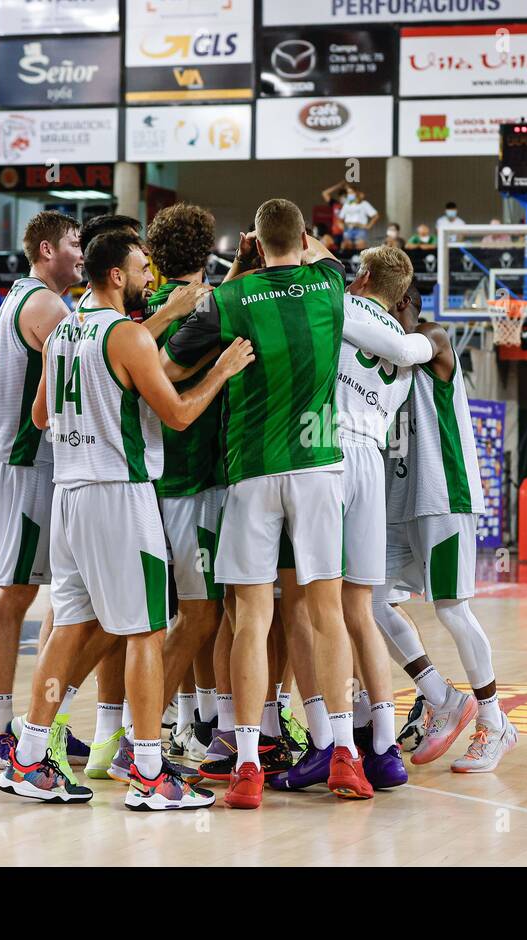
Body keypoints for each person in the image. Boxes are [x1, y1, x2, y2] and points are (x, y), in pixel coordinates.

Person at [0, 230, 251, 808]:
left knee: (69, 628)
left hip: (69, 493)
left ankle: (30, 757)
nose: (149, 277)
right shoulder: (128, 334)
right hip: (118, 492)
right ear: (117, 275)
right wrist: (223, 370)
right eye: (141, 267)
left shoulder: (63, 331)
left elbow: (39, 415)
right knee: (144, 631)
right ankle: (151, 772)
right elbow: (180, 415)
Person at [163, 198, 371, 809]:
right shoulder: (330, 283)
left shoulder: (230, 301)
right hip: (316, 467)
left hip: (250, 472)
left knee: (250, 617)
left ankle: (248, 764)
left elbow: (170, 367)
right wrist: (288, 244)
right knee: (324, 612)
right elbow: (326, 255)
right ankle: (342, 755)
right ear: (304, 238)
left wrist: (240, 274)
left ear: (252, 241)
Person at [272, 245, 434, 794]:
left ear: (363, 276)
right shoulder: (409, 350)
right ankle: (384, 750)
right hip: (373, 462)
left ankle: (327, 740)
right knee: (362, 609)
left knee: (306, 603)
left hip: (327, 451)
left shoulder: (341, 304)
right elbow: (409, 347)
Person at [371, 286, 517, 774]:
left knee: (452, 610)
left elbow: (407, 345)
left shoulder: (432, 337)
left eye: (385, 303)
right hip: (396, 500)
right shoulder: (377, 351)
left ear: (404, 299)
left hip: (442, 495)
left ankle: (496, 724)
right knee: (367, 601)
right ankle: (440, 696)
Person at [0, 211, 82, 767]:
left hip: (33, 458)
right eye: (72, 242)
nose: (81, 251)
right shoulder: (45, 305)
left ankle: (42, 720)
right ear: (46, 248)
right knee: (17, 589)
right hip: (25, 458)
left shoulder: (22, 296)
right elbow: (83, 371)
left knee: (57, 592)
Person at [142, 203, 230, 768]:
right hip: (192, 478)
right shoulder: (209, 307)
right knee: (200, 615)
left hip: (152, 477)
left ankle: (198, 723)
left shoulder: (141, 309)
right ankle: (142, 735)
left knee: (191, 612)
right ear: (204, 254)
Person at [335, 187, 379, 252]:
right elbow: (339, 218)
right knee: (346, 247)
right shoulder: (346, 204)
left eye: (351, 192)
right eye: (348, 193)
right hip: (348, 229)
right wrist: (342, 226)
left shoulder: (364, 203)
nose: (349, 194)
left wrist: (368, 226)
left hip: (360, 229)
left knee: (360, 248)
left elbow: (376, 215)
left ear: (356, 193)